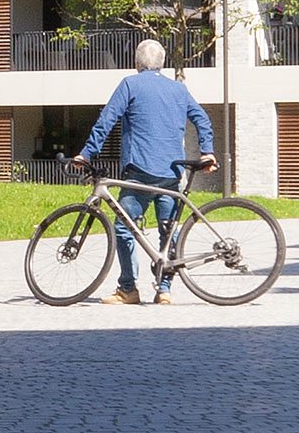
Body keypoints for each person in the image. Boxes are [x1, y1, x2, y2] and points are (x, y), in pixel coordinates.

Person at [77, 37, 216, 304]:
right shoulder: (178, 89)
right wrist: (207, 150)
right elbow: (202, 118)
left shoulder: (130, 84)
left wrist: (86, 154)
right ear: (161, 64)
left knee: (123, 227)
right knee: (169, 230)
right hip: (171, 172)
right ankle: (164, 289)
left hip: (139, 171)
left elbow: (107, 120)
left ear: (137, 63)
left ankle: (128, 288)